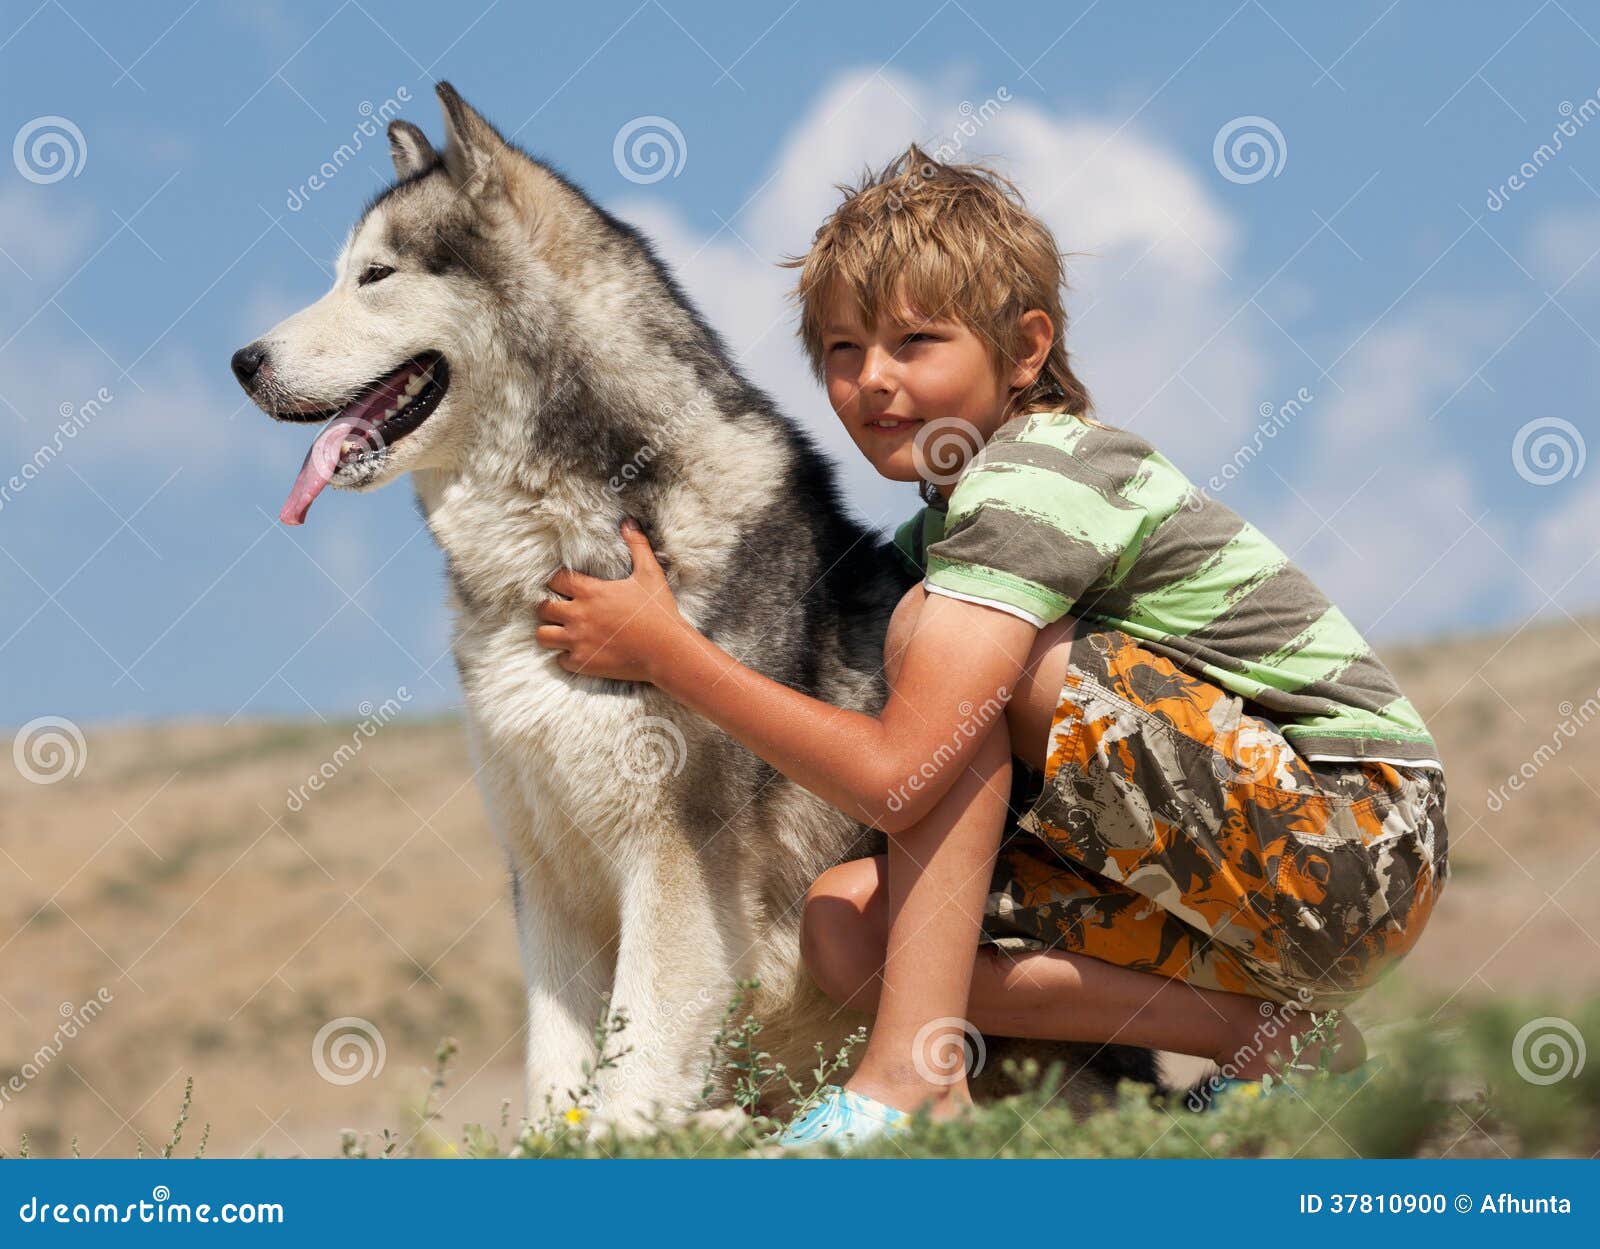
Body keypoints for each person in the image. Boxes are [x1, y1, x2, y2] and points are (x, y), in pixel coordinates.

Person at [532, 144, 1449, 1150]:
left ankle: (910, 1078)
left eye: (914, 340)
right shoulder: (948, 531)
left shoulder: (1040, 477)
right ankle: (1271, 1036)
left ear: (1024, 348)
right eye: (841, 351)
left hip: (1356, 841)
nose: (872, 380)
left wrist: (672, 655)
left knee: (937, 637)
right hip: (1242, 887)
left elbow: (897, 773)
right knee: (847, 926)